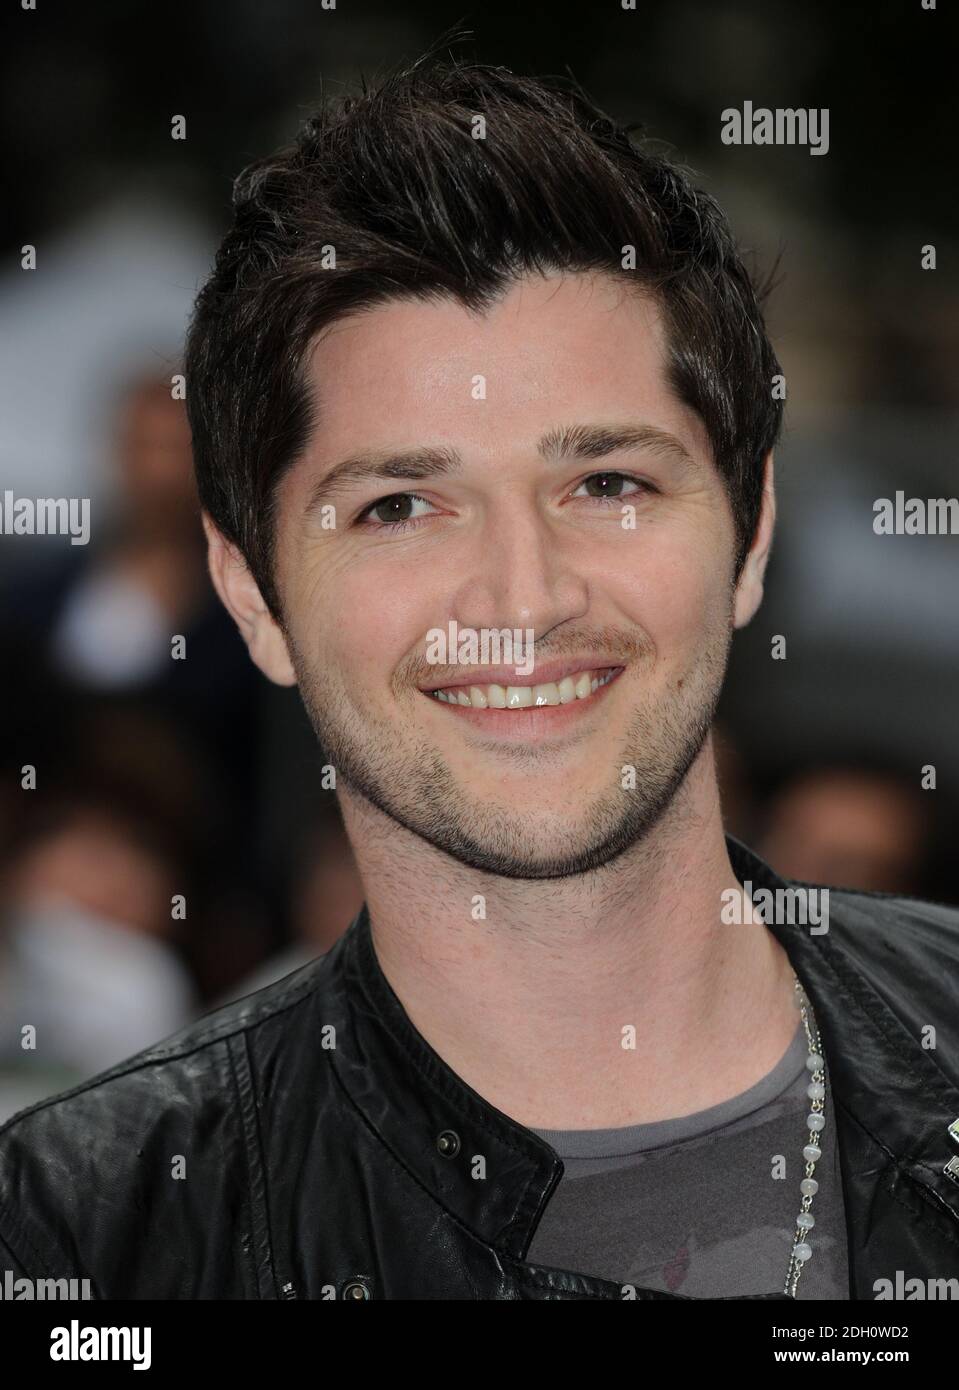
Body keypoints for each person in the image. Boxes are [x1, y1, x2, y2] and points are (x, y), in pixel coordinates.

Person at [1, 52, 957, 1302]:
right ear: (252, 596)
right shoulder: (88, 1242)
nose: (522, 596)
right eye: (400, 505)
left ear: (750, 534)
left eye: (606, 483)